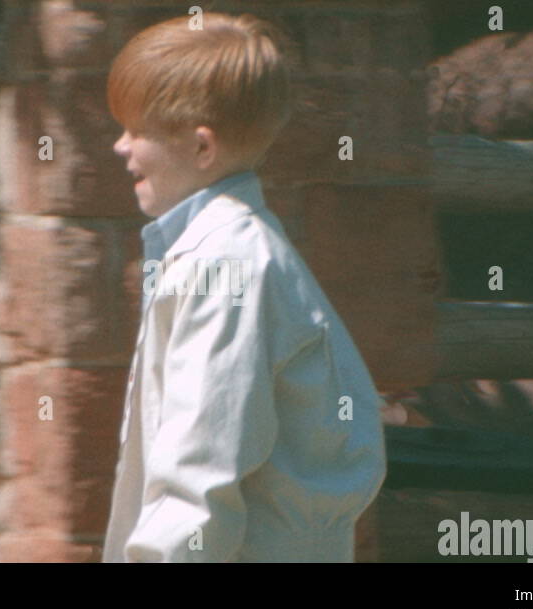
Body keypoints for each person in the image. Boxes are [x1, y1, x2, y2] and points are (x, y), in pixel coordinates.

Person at [102, 11, 386, 562]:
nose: (120, 146)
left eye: (137, 130)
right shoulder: (222, 254)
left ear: (202, 148)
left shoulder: (227, 267)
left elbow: (198, 481)